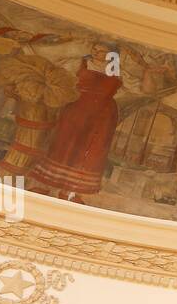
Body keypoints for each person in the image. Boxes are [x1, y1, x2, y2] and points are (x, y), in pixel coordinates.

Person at [27, 42, 123, 200]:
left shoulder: (115, 69)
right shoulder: (80, 62)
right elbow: (59, 76)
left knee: (90, 151)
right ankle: (43, 186)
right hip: (77, 109)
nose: (96, 51)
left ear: (111, 54)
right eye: (95, 48)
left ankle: (71, 193)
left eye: (101, 50)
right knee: (62, 145)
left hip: (103, 117)